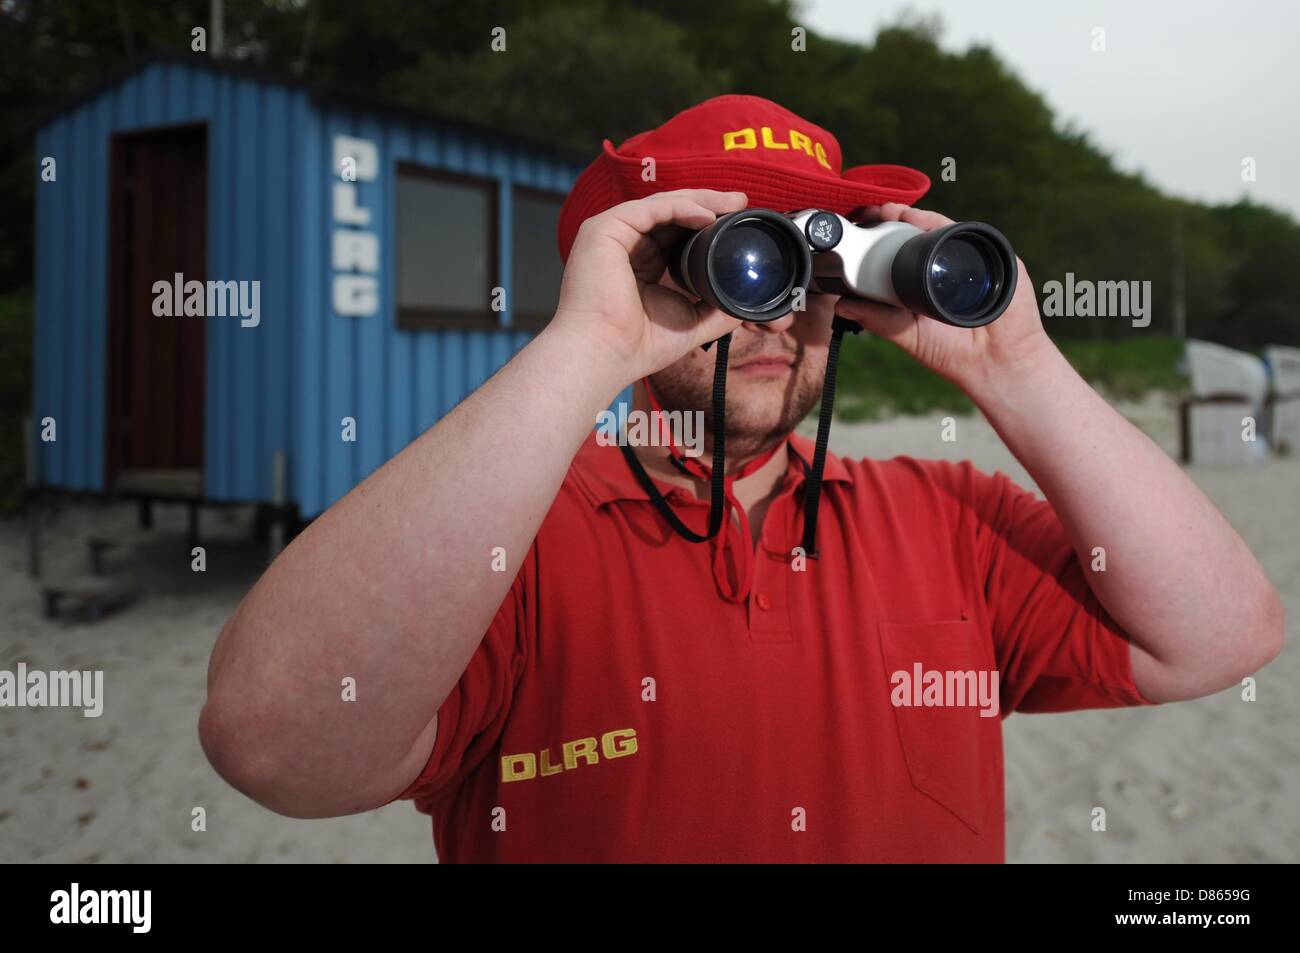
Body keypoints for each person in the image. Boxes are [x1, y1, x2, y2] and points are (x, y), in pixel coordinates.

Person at [199, 95, 1283, 862]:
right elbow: (278, 745)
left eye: (810, 271)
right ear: (630, 272)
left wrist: (1018, 364)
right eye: (738, 258)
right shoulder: (508, 545)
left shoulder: (946, 517)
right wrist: (586, 350)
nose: (774, 308)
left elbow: (1220, 636)